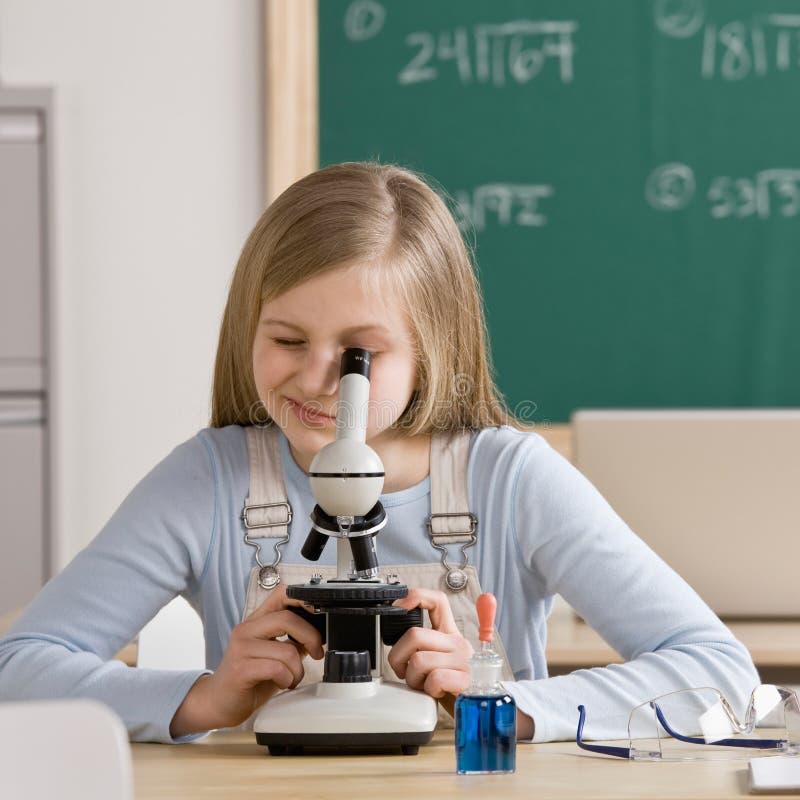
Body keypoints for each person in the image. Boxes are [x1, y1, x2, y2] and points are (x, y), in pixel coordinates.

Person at [0, 162, 759, 744]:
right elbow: (17, 669)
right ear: (246, 330)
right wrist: (203, 697)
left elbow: (718, 671)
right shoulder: (211, 479)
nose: (317, 379)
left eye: (359, 353)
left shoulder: (510, 479)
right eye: (287, 340)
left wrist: (506, 707)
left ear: (431, 352)